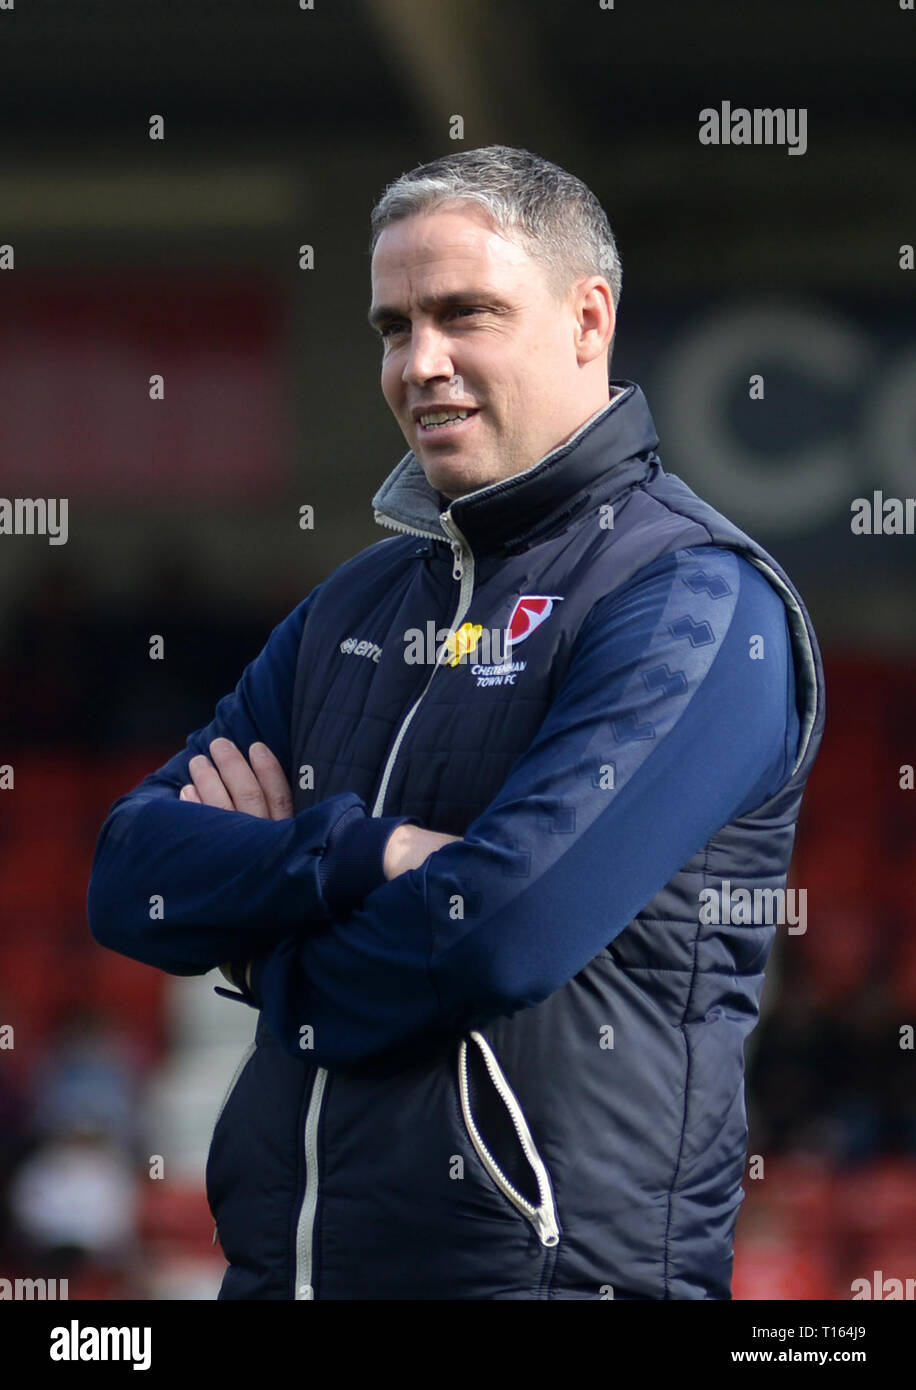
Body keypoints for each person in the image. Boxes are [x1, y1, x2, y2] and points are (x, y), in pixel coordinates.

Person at [88, 145, 825, 1300]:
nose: (420, 364)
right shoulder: (353, 605)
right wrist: (357, 852)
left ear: (588, 319)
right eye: (394, 326)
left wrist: (264, 947)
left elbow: (499, 934)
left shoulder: (695, 601)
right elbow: (129, 874)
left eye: (464, 314)